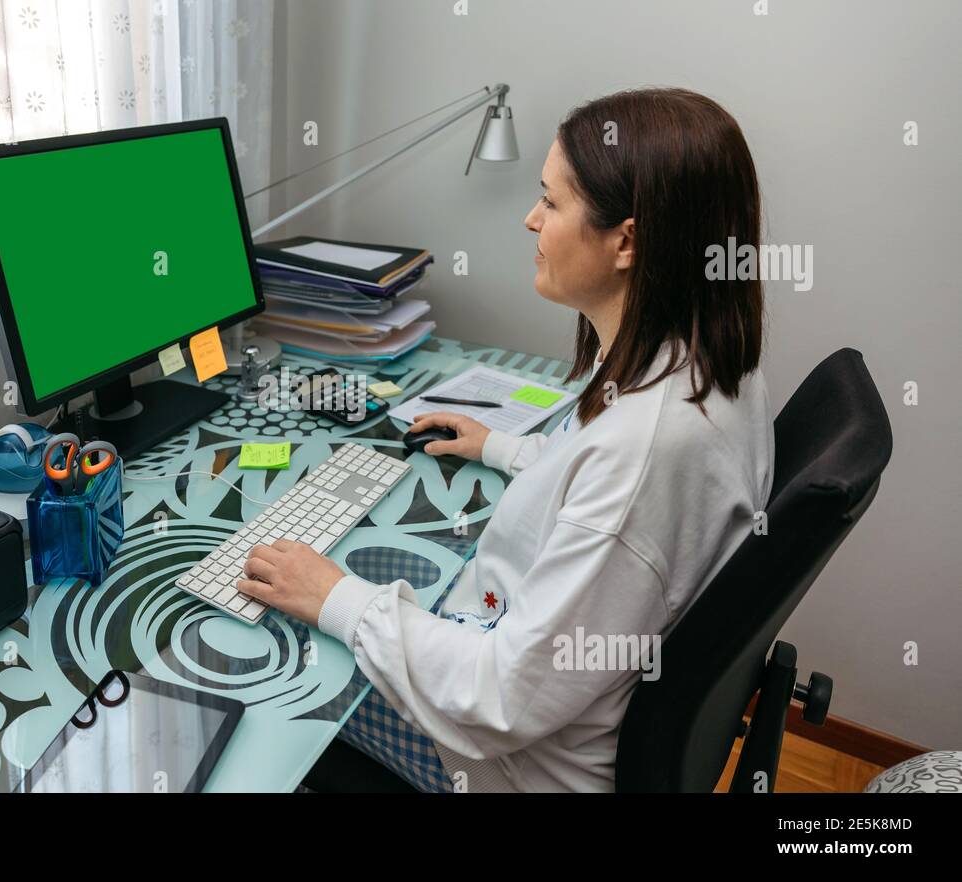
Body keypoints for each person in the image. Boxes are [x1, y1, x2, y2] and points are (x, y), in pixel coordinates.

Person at [238, 87, 775, 792]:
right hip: (555, 697)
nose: (530, 220)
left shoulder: (647, 451)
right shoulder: (710, 363)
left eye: (551, 203)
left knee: (260, 680)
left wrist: (334, 595)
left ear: (628, 240)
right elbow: (599, 494)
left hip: (507, 765)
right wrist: (502, 447)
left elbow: (500, 700)